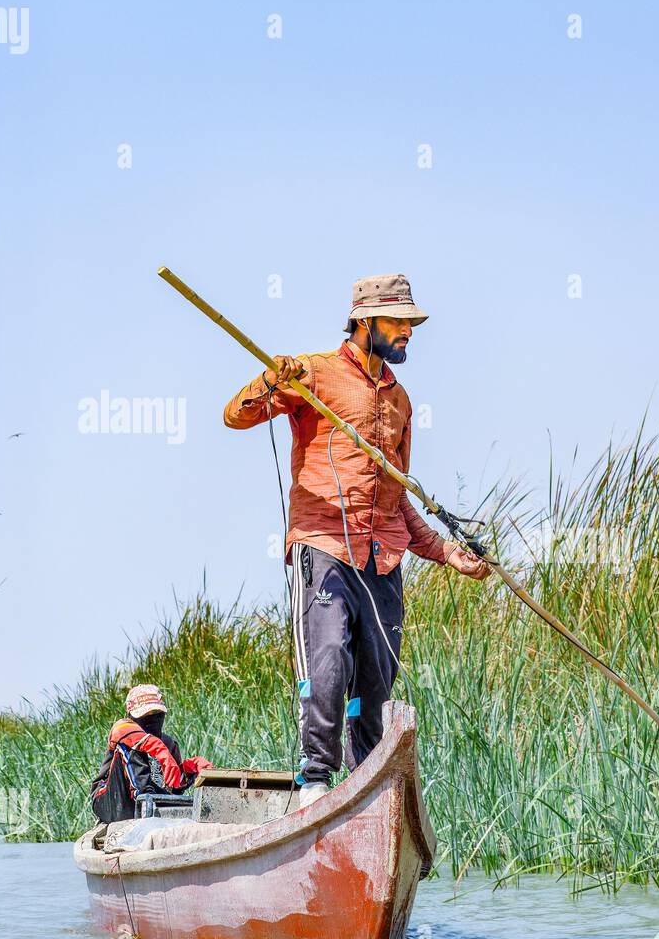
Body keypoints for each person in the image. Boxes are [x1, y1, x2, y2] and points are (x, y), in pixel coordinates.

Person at [223, 273, 490, 806]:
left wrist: (445, 553)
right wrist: (272, 381)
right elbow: (236, 416)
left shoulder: (401, 402)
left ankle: (366, 784)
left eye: (411, 324)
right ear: (365, 322)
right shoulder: (314, 375)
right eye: (399, 322)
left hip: (383, 558)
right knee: (327, 661)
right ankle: (315, 778)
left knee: (375, 680)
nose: (409, 333)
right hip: (324, 546)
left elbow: (397, 499)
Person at [89, 684, 214, 825]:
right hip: (112, 801)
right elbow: (120, 731)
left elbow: (173, 784)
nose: (152, 720)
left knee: (181, 776)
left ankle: (152, 805)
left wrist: (191, 769)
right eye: (145, 716)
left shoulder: (169, 744)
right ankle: (144, 801)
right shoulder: (123, 729)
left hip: (153, 800)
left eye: (155, 714)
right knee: (131, 745)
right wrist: (159, 749)